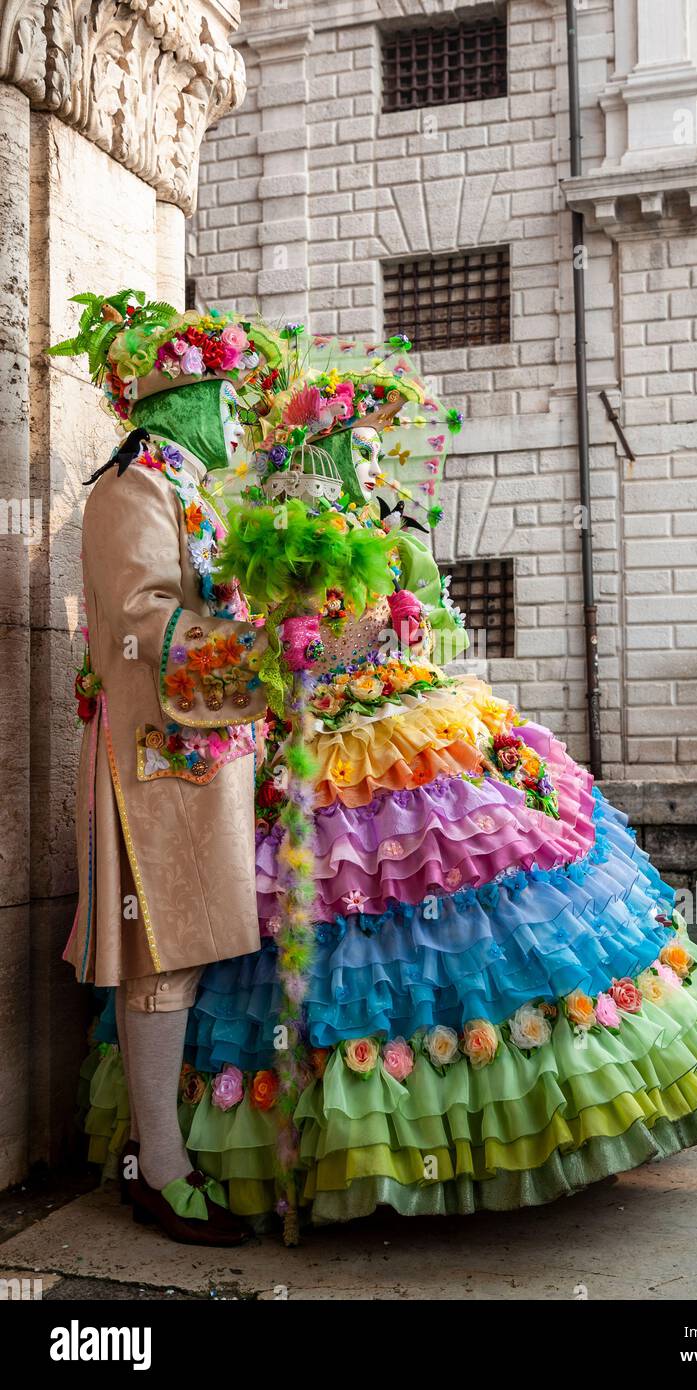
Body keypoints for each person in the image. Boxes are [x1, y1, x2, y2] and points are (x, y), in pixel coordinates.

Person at [155, 335, 697, 1234]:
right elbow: (291, 641)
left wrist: (374, 634)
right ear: (323, 457)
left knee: (464, 883)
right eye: (357, 449)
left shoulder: (369, 541)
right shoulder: (296, 538)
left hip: (400, 723)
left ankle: (466, 1133)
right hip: (330, 735)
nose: (371, 465)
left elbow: (408, 632)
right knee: (371, 906)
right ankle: (383, 1142)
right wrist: (331, 646)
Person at [53, 292, 285, 1244]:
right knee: (162, 955)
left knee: (185, 954)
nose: (236, 419)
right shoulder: (133, 490)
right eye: (226, 399)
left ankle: (168, 1154)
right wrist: (262, 653)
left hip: (202, 751)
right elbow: (144, 623)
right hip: (158, 757)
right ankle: (159, 1168)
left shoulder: (185, 487)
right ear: (183, 394)